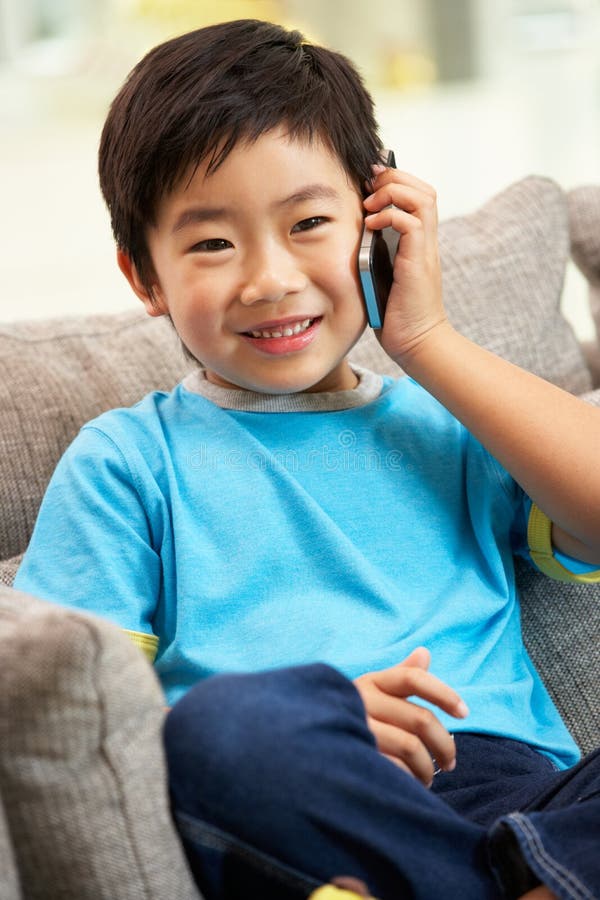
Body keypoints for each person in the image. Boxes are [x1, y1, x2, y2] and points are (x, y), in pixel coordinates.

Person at [14, 19, 600, 900]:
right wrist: (323, 711)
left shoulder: (454, 423)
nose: (270, 278)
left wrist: (430, 338)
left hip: (519, 795)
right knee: (226, 727)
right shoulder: (127, 462)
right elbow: (82, 715)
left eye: (310, 223)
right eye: (212, 243)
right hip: (303, 788)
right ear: (144, 276)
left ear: (375, 228)